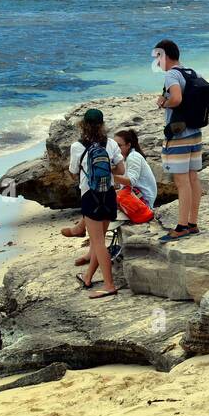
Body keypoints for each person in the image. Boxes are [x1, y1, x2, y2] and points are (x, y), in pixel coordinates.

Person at [154, 38, 209, 242]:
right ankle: (192, 223)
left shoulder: (172, 75)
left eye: (158, 57)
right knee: (193, 178)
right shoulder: (192, 71)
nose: (157, 63)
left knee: (182, 182)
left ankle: (181, 226)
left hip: (179, 135)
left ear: (164, 56)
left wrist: (163, 102)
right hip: (195, 133)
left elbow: (176, 99)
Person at [68, 108, 125, 299]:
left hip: (90, 196)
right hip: (108, 194)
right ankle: (88, 276)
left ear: (83, 125)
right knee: (99, 240)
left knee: (98, 242)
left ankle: (109, 285)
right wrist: (107, 167)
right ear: (102, 124)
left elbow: (73, 172)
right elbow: (121, 169)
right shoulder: (110, 143)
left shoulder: (77, 146)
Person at [114, 128, 158, 207]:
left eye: (119, 145)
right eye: (114, 145)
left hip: (143, 201)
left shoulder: (133, 157)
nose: (115, 148)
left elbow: (131, 181)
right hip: (135, 195)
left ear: (128, 145)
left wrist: (111, 176)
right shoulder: (123, 158)